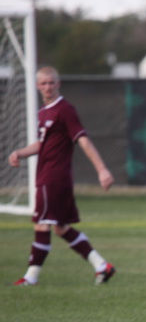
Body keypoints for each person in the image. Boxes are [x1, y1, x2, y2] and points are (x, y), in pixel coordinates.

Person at [8, 66, 116, 286]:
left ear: (58, 84)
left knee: (41, 224)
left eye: (51, 82)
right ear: (38, 86)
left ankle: (31, 277)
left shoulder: (64, 109)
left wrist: (102, 169)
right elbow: (42, 144)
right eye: (43, 83)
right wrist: (20, 152)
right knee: (60, 228)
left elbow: (83, 139)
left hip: (53, 177)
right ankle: (101, 265)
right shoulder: (44, 112)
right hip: (50, 176)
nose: (47, 87)